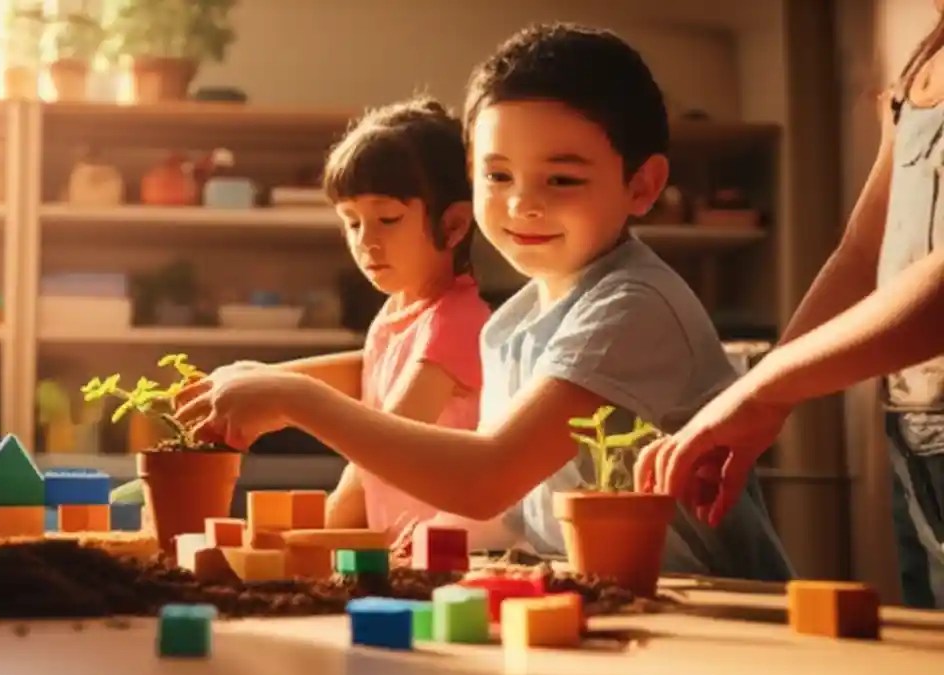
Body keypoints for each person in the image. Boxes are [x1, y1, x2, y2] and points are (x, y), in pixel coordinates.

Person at [176, 23, 793, 581]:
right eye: (497, 177)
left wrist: (293, 397)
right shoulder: (515, 322)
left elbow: (486, 476)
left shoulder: (631, 307)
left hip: (712, 605)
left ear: (643, 185)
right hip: (606, 599)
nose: (522, 203)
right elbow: (506, 496)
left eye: (562, 178)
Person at [636, 5, 944, 607]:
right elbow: (861, 252)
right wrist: (767, 404)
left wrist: (767, 388)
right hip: (912, 426)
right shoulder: (920, 71)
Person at [262, 97, 491, 539]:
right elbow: (370, 372)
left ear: (455, 225)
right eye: (352, 222)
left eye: (387, 219)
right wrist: (258, 382)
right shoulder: (396, 312)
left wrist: (310, 536)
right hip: (395, 548)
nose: (367, 241)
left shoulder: (456, 320)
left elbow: (382, 446)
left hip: (443, 553)